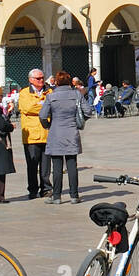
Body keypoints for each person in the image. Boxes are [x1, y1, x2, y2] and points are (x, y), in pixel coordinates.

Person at [40, 70, 91, 204]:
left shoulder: (51, 96)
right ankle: (74, 195)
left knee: (56, 167)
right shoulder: (76, 95)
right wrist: (79, 120)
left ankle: (57, 196)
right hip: (71, 131)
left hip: (55, 132)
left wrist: (48, 125)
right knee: (72, 165)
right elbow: (88, 111)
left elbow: (43, 115)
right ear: (69, 82)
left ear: (56, 82)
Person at [17, 69, 52, 200]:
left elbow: (52, 107)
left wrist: (39, 105)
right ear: (31, 80)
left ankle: (46, 188)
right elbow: (27, 108)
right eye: (38, 78)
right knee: (32, 165)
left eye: (42, 78)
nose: (41, 80)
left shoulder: (50, 91)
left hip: (47, 133)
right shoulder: (24, 93)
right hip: (31, 135)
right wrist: (44, 105)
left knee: (46, 165)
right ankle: (32, 189)